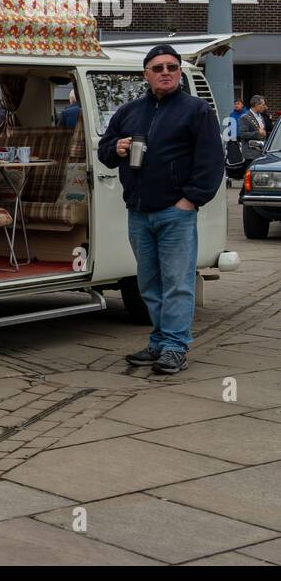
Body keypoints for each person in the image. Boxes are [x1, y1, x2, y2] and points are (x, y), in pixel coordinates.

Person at [99, 45, 224, 375]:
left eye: (171, 66)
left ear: (180, 72)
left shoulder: (196, 110)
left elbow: (211, 161)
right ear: (146, 74)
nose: (165, 72)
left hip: (175, 213)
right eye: (157, 67)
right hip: (139, 212)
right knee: (149, 285)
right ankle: (159, 341)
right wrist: (117, 146)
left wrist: (190, 200)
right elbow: (104, 151)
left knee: (178, 283)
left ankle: (174, 347)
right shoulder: (129, 112)